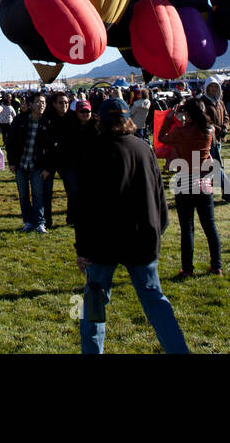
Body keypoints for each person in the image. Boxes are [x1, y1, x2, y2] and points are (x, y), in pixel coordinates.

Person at [74, 97, 188, 354]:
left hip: (104, 242)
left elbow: (83, 205)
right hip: (142, 237)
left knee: (93, 304)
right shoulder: (143, 148)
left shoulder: (94, 150)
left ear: (100, 119)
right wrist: (159, 227)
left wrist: (82, 247)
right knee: (155, 300)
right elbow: (159, 195)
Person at [158, 98, 222, 278]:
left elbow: (162, 138)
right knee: (210, 227)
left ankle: (187, 269)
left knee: (187, 229)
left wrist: (170, 118)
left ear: (188, 114)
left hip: (185, 182)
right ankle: (216, 265)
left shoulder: (180, 132)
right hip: (203, 181)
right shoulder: (209, 131)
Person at [6, 93, 55, 233]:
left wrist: (48, 168)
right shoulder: (21, 120)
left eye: (44, 102)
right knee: (23, 194)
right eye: (38, 102)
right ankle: (28, 221)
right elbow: (11, 142)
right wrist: (12, 161)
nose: (41, 105)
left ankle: (40, 222)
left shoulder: (47, 122)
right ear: (31, 104)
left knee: (38, 194)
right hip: (21, 163)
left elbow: (52, 148)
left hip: (37, 165)